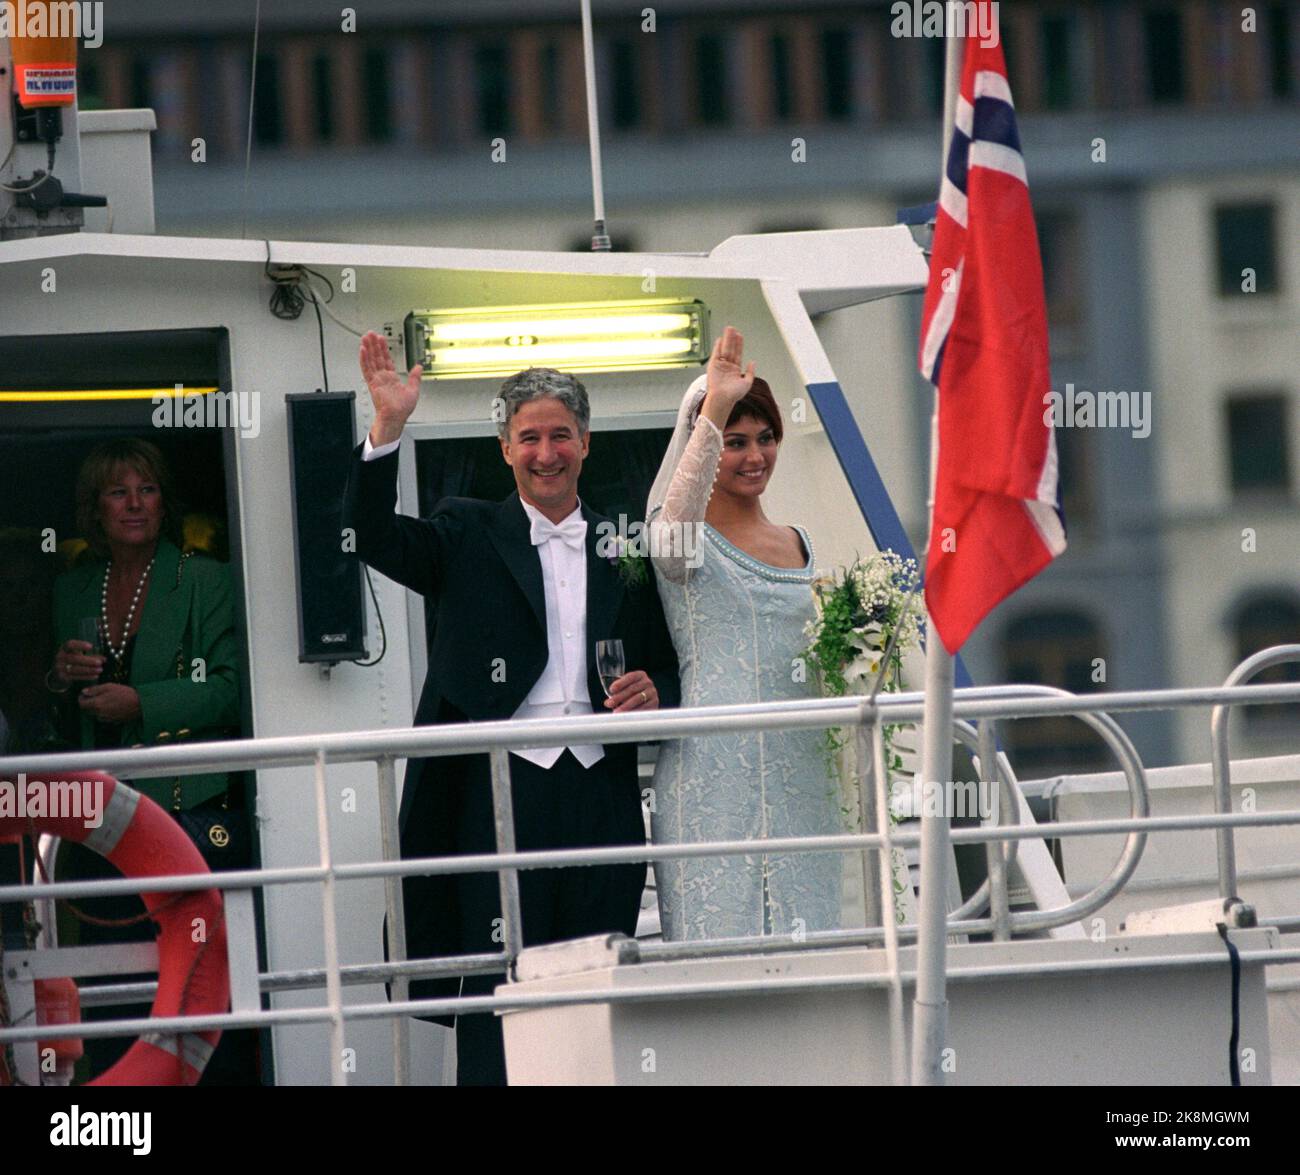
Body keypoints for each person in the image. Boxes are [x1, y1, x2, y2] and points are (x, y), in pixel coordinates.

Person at [345, 332, 680, 1086]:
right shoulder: (465, 532)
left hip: (601, 795)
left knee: (600, 982)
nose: (546, 451)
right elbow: (368, 535)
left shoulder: (626, 541)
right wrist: (388, 429)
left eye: (561, 434)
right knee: (500, 990)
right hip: (496, 794)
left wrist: (659, 689)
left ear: (587, 443)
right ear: (505, 448)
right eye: (529, 436)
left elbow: (672, 659)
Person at [46, 437, 244, 1080]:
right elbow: (52, 711)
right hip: (97, 823)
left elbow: (230, 689)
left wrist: (143, 703)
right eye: (116, 492)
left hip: (186, 809)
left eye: (147, 489)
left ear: (165, 503)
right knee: (117, 986)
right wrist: (59, 678)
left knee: (198, 982)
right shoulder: (72, 587)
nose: (134, 504)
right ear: (94, 510)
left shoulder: (205, 579)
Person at [646, 326, 842, 941]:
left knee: (812, 941)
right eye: (735, 442)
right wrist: (714, 409)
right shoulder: (679, 542)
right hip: (714, 774)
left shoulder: (802, 540)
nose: (754, 455)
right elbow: (678, 521)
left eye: (764, 439)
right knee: (721, 941)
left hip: (805, 770)